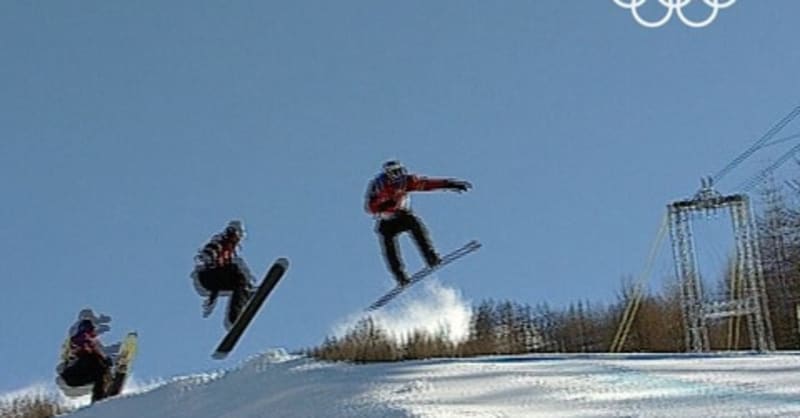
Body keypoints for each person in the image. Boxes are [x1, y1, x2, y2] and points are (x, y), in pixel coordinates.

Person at [365, 160, 471, 286]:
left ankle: (431, 257)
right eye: (394, 172)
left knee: (417, 226)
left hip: (402, 215)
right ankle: (400, 276)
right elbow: (369, 207)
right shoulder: (378, 185)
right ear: (388, 174)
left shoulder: (405, 181)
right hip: (387, 221)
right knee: (389, 247)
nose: (398, 175)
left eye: (400, 171)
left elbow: (426, 184)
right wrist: (383, 205)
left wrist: (449, 184)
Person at [191, 220, 256, 330]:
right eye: (238, 236)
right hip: (206, 277)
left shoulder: (229, 250)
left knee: (239, 285)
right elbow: (210, 250)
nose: (238, 240)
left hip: (213, 278)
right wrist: (209, 257)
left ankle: (236, 313)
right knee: (237, 271)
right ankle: (244, 296)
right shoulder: (221, 242)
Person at [56, 309, 120, 402]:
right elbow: (82, 337)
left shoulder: (91, 344)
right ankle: (105, 387)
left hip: (74, 379)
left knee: (101, 372)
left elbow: (102, 351)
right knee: (100, 364)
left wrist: (116, 349)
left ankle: (99, 399)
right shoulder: (81, 330)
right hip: (74, 372)